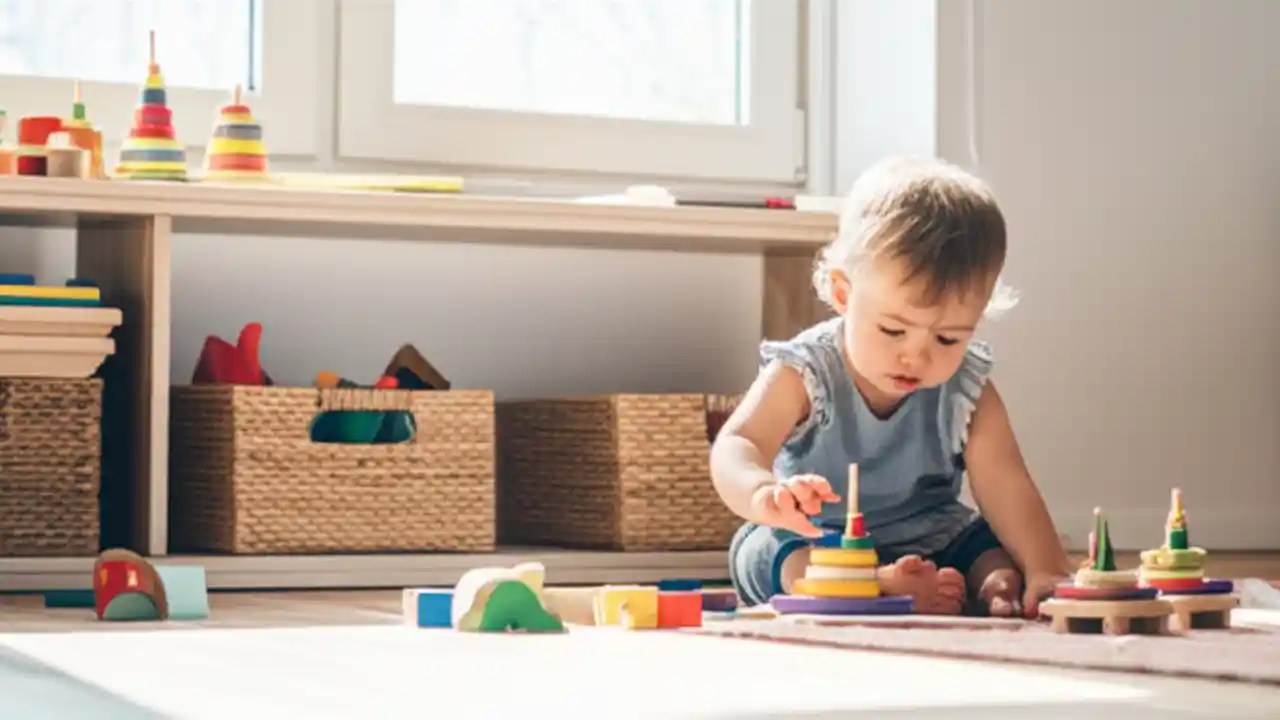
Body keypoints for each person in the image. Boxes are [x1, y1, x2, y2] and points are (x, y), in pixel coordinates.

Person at [710, 156, 1071, 617]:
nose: (916, 357)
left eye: (947, 337)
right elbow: (738, 443)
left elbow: (1006, 484)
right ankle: (862, 586)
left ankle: (994, 587)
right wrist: (763, 493)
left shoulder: (966, 388)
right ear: (843, 295)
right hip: (821, 538)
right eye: (893, 331)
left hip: (931, 537)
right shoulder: (806, 370)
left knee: (988, 546)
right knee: (764, 551)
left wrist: (1045, 567)